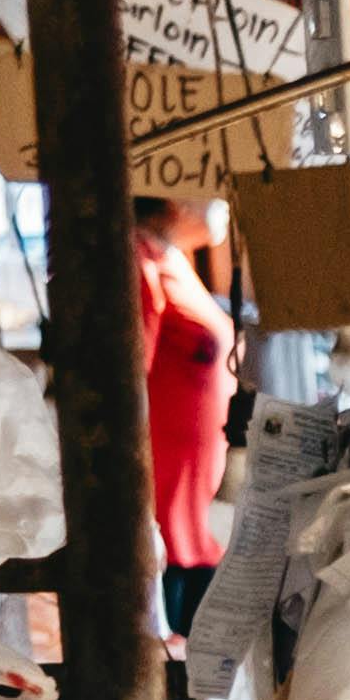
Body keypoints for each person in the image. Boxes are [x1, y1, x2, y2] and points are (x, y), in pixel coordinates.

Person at [131, 191, 238, 635]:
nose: (221, 206)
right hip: (167, 467)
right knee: (177, 598)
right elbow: (132, 369)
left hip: (195, 470)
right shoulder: (140, 258)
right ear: (174, 201)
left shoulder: (170, 256)